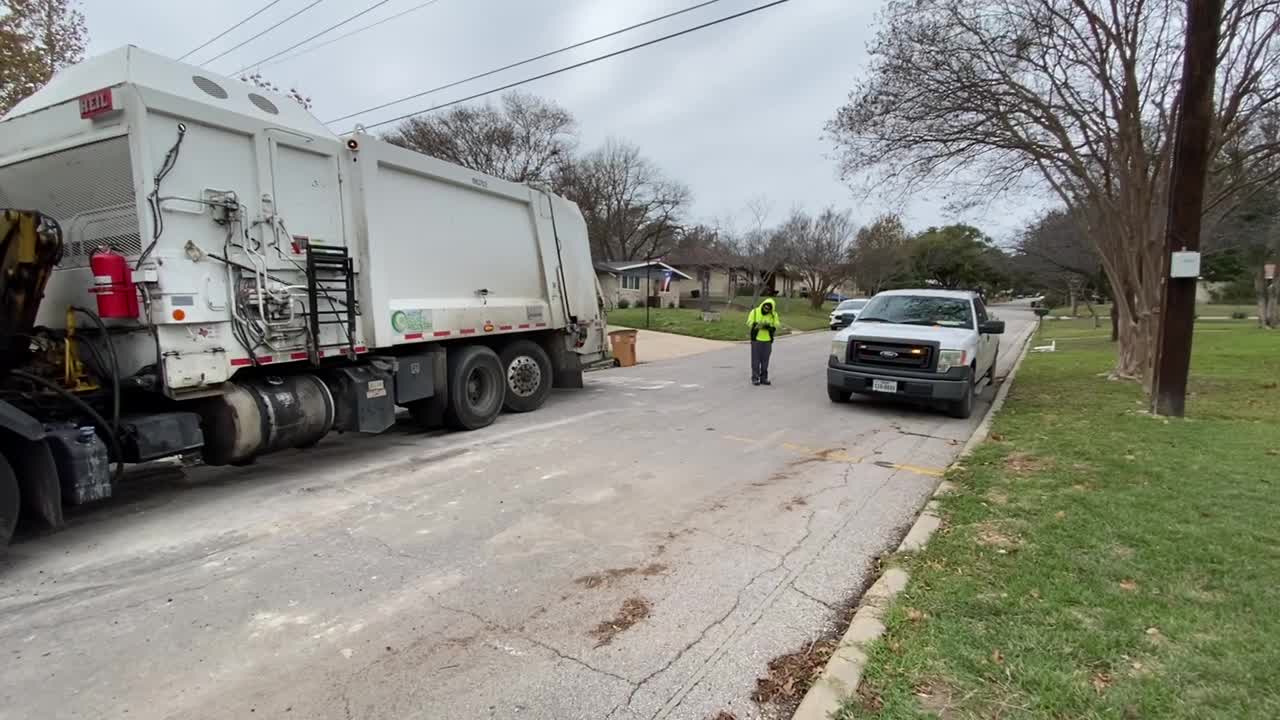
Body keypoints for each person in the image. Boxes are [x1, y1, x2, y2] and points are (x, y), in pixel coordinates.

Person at [746, 296, 781, 385]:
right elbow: (748, 322)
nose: (766, 309)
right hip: (756, 340)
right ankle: (755, 378)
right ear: (763, 305)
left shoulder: (773, 314)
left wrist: (769, 326)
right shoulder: (754, 312)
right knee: (755, 360)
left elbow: (777, 324)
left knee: (765, 360)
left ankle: (764, 378)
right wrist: (756, 324)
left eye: (769, 308)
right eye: (765, 307)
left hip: (768, 340)